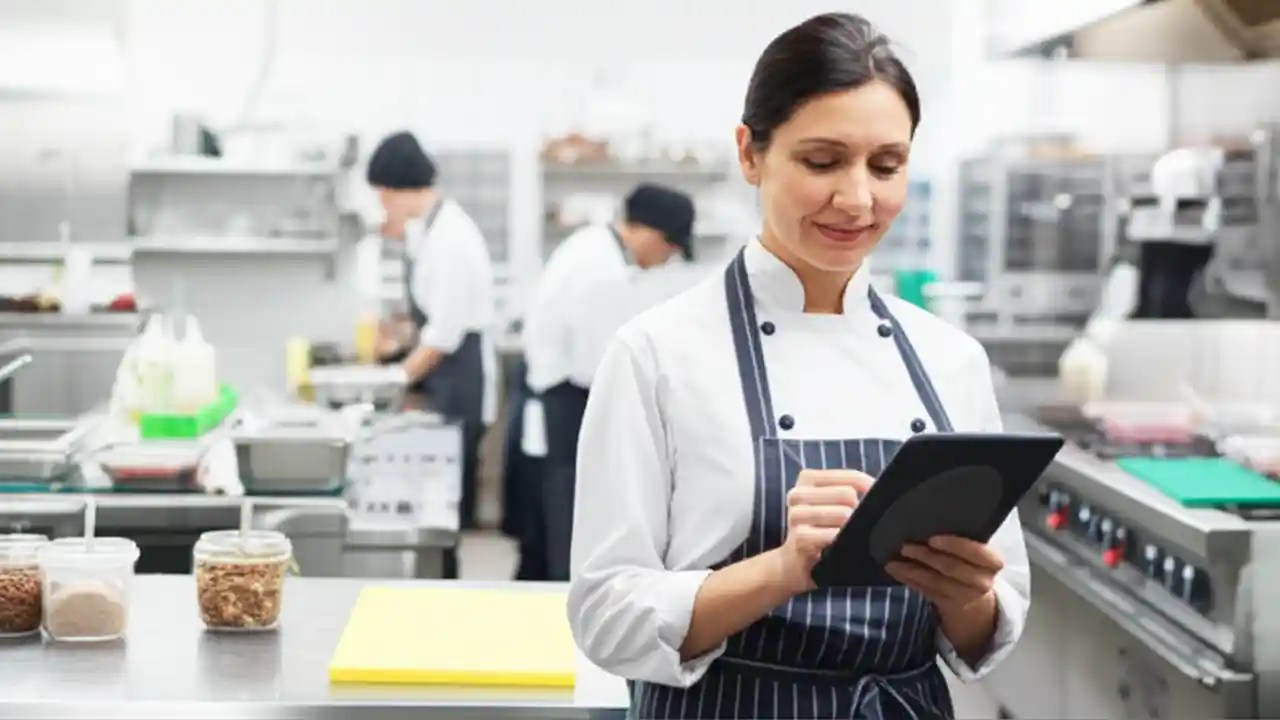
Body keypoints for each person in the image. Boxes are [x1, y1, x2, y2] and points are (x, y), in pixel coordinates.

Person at [567, 13, 1030, 719]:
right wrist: (782, 571)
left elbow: (985, 629)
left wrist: (966, 594)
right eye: (822, 161)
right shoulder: (658, 354)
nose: (857, 199)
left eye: (886, 165)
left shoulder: (951, 361)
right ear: (750, 153)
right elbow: (605, 613)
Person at [519, 183, 695, 581]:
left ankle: (558, 581)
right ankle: (567, 588)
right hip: (567, 393)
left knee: (562, 493)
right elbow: (595, 362)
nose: (669, 259)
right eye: (671, 248)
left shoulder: (593, 246)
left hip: (558, 385)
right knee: (571, 496)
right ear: (649, 232)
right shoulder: (601, 269)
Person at [368, 130, 498, 552]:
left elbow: (443, 336)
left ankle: (447, 590)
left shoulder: (451, 238)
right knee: (435, 503)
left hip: (460, 378)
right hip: (446, 374)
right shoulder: (428, 229)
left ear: (402, 189)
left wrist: (393, 381)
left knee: (444, 509)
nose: (383, 206)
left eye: (384, 195)